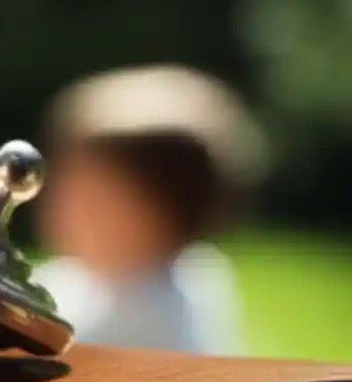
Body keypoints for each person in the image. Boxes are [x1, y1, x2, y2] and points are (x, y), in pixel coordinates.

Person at [33, 65, 266, 355]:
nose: (58, 204)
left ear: (166, 219)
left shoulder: (154, 320)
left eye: (93, 201)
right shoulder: (76, 280)